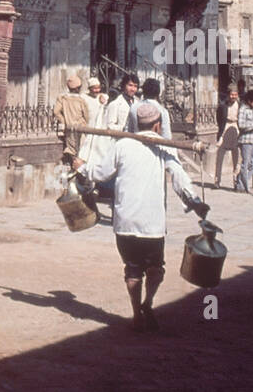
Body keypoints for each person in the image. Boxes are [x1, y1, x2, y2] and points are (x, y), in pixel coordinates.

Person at [75, 101, 209, 332]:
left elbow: (100, 172)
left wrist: (82, 166)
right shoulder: (161, 147)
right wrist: (195, 203)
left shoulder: (125, 144)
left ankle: (140, 310)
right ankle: (145, 306)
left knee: (133, 270)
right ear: (157, 126)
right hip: (152, 223)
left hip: (125, 221)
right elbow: (179, 178)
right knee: (156, 269)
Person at [56, 74, 90, 160]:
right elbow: (86, 116)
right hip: (80, 127)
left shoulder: (63, 98)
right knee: (81, 150)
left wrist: (63, 121)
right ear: (78, 88)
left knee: (71, 149)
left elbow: (56, 112)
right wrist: (86, 123)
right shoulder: (81, 100)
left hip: (69, 127)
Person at [214, 84, 241, 188]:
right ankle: (217, 180)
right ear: (228, 94)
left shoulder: (239, 104)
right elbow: (219, 117)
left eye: (235, 94)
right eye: (232, 94)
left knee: (236, 156)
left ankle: (235, 181)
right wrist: (221, 131)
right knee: (220, 154)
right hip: (225, 127)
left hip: (236, 127)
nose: (233, 96)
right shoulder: (223, 105)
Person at [235, 89, 253, 193]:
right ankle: (243, 187)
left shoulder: (251, 110)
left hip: (252, 139)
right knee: (245, 164)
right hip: (245, 141)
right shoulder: (242, 110)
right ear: (249, 101)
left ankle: (240, 182)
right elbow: (241, 125)